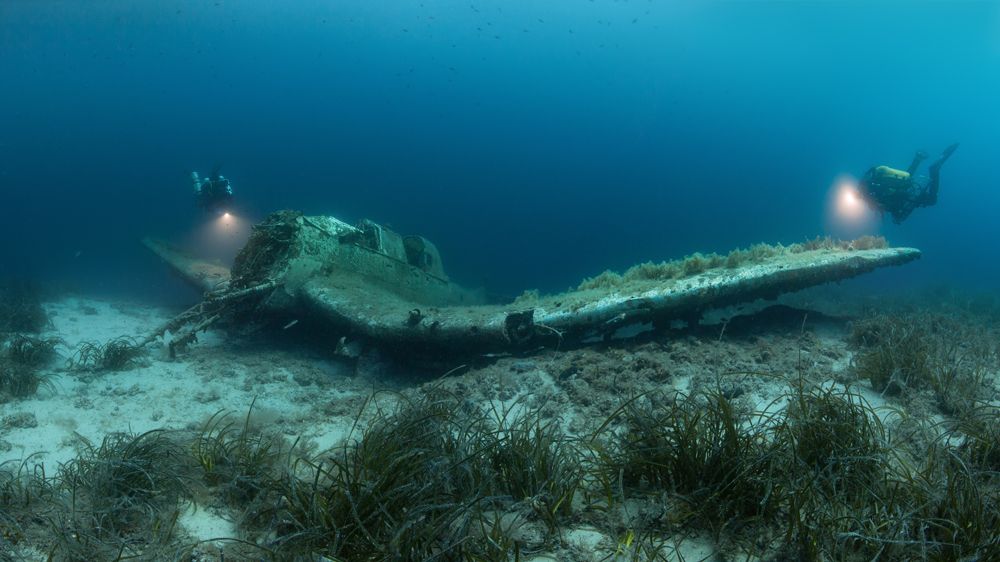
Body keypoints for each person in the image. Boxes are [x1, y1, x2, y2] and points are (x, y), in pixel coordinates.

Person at [857, 143, 958, 223]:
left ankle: (934, 169)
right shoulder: (872, 188)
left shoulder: (871, 194)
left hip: (905, 195)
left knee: (932, 200)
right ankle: (917, 159)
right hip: (902, 192)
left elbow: (886, 204)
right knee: (907, 180)